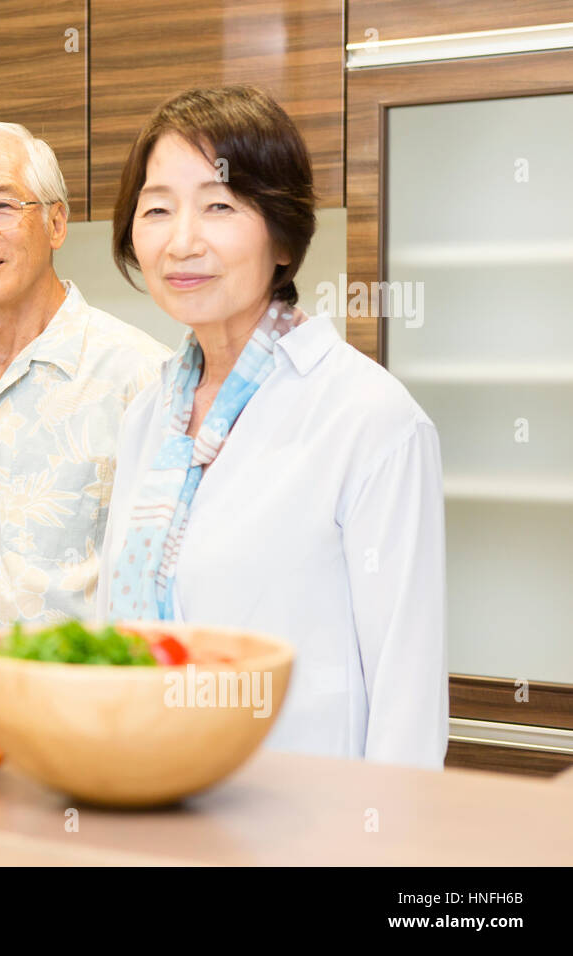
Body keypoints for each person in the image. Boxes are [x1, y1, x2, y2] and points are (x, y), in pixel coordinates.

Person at [98, 86, 447, 769]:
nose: (182, 241)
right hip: (148, 802)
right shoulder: (149, 415)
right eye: (158, 209)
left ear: (283, 236)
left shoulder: (370, 418)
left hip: (305, 823)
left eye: (220, 206)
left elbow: (408, 697)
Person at [0, 121, 170, 692]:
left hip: (77, 723)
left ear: (56, 222)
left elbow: (169, 585)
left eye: (0, 206)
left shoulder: (141, 379)